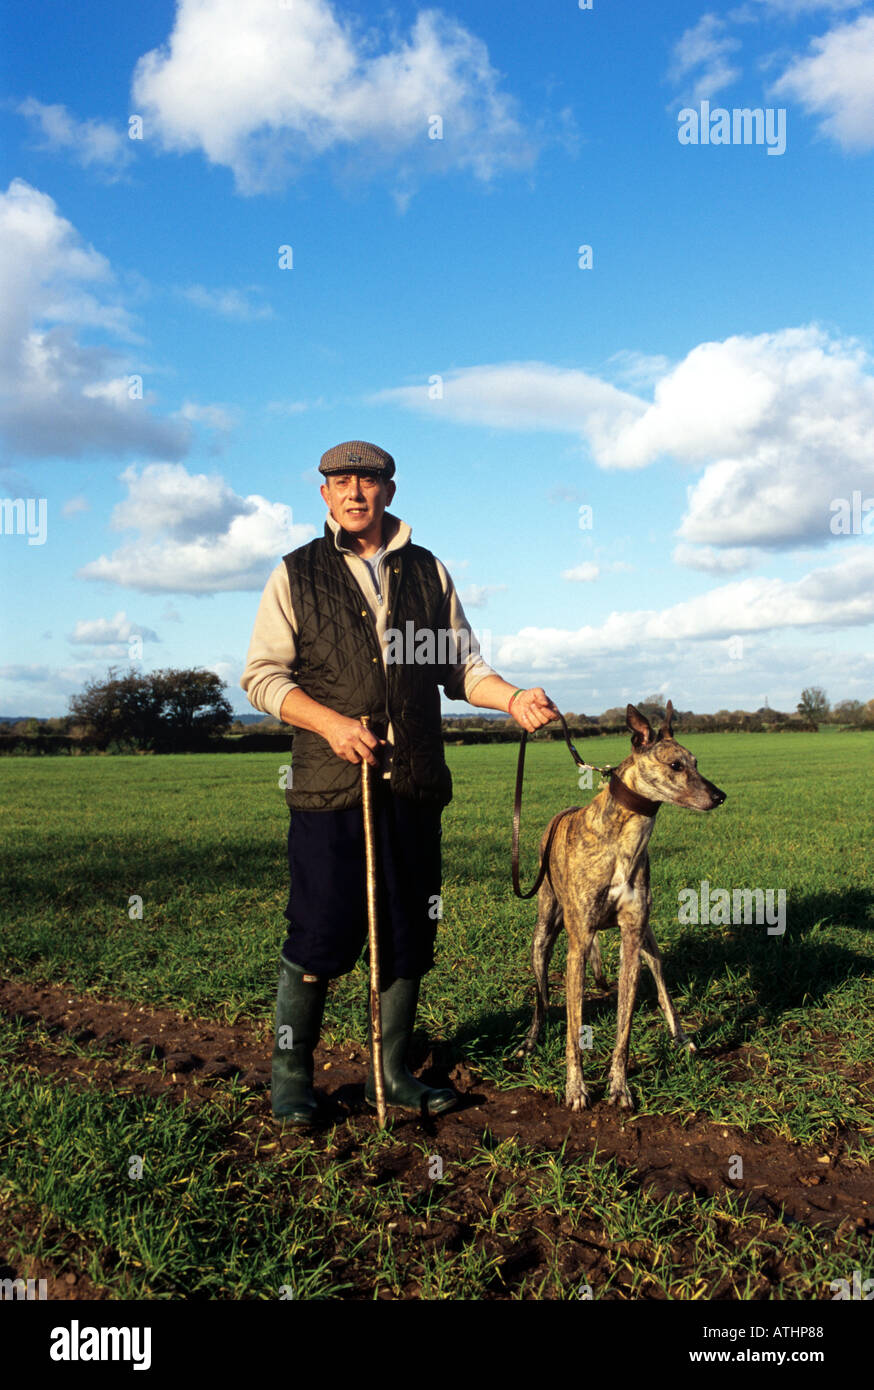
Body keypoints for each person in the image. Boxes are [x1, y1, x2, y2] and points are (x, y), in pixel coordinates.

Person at [241, 440, 558, 1124]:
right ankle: (291, 1080)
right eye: (341, 482)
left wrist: (511, 699)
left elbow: (463, 668)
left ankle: (393, 1072)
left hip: (412, 785)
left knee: (411, 930)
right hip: (331, 789)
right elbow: (264, 678)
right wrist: (329, 724)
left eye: (369, 480)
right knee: (321, 932)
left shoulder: (426, 571)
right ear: (323, 493)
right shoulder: (295, 573)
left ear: (390, 489)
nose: (355, 493)